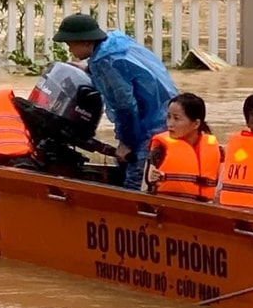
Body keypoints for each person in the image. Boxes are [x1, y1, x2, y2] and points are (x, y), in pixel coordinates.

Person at [52, 13, 179, 191]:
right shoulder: (115, 44)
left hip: (151, 126)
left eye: (71, 44)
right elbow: (129, 74)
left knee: (134, 183)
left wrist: (126, 143)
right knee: (124, 166)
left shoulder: (105, 62)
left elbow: (125, 107)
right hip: (171, 115)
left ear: (87, 42)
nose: (69, 50)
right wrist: (90, 68)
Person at [144, 93, 222, 201]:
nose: (170, 124)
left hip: (204, 210)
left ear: (196, 124)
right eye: (169, 117)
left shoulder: (218, 151)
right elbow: (145, 188)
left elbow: (221, 189)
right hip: (168, 207)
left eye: (176, 118)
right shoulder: (160, 150)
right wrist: (152, 180)